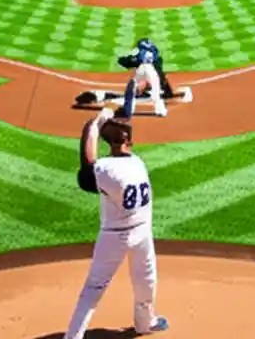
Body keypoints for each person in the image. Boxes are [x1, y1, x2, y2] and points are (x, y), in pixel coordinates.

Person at [64, 110, 168, 339]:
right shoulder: (138, 163)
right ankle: (145, 321)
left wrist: (95, 123)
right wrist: (100, 124)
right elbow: (89, 165)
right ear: (130, 141)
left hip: (118, 236)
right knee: (145, 280)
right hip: (138, 233)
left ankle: (76, 336)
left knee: (97, 288)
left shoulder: (105, 169)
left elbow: (87, 162)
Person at [117, 39, 167, 118]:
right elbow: (158, 64)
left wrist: (122, 60)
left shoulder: (140, 51)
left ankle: (127, 111)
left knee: (131, 88)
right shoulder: (155, 52)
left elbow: (130, 61)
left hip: (142, 69)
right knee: (156, 92)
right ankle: (161, 111)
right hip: (152, 70)